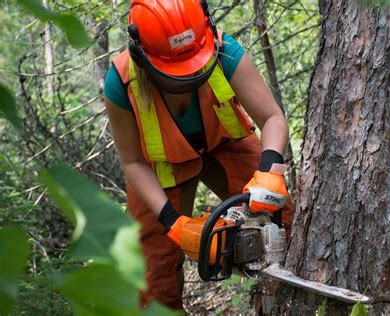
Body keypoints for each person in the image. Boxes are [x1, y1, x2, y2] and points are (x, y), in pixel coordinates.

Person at [103, 0, 293, 310]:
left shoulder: (224, 50)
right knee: (149, 271)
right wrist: (173, 222)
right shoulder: (121, 82)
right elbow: (133, 162)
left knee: (281, 217)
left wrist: (270, 170)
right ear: (143, 54)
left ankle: (281, 299)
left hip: (225, 143)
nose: (189, 73)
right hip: (159, 165)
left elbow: (273, 118)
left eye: (195, 62)